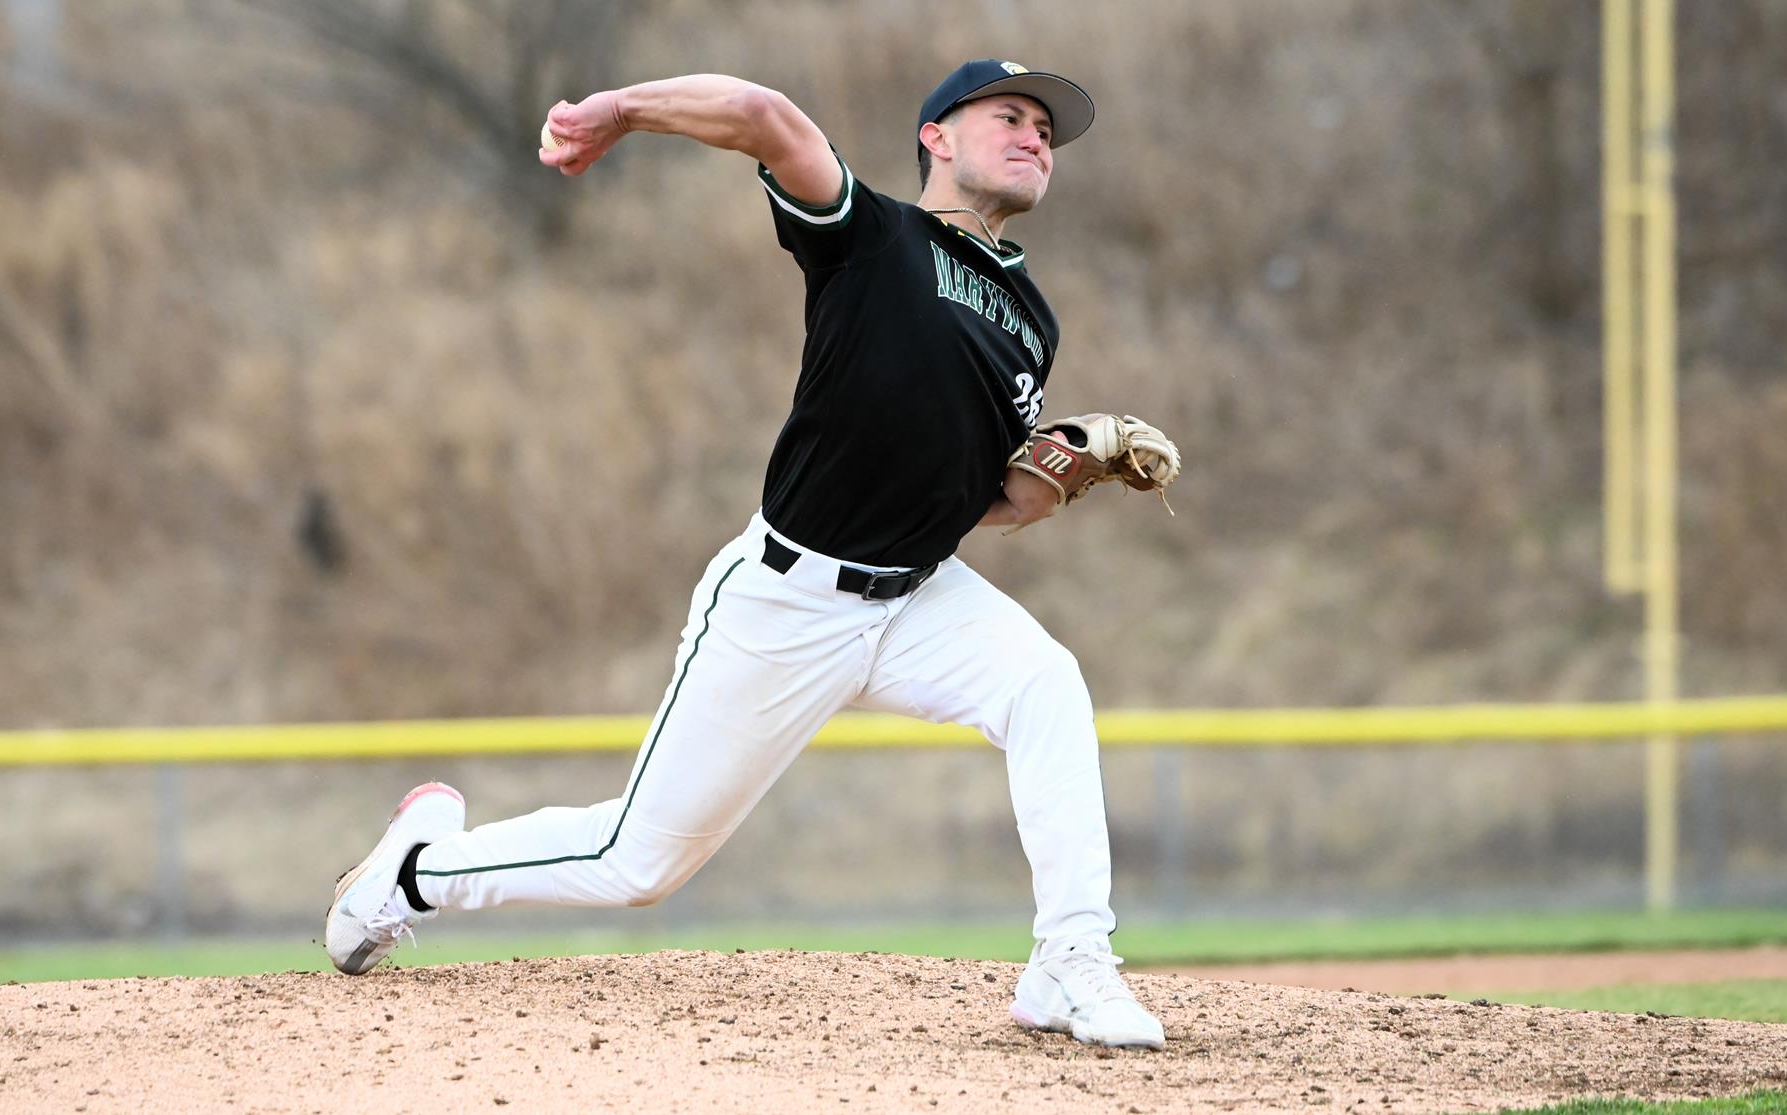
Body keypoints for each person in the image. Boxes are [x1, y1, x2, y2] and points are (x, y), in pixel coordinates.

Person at [325, 59, 1169, 1051]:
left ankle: (1069, 960)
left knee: (1046, 684)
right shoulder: (871, 237)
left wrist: (1073, 469)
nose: (1034, 136)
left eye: (1045, 129)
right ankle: (411, 873)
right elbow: (763, 117)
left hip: (919, 594)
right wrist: (621, 109)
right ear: (936, 135)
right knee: (635, 861)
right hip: (787, 599)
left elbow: (986, 499)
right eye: (1008, 116)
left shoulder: (1031, 320)